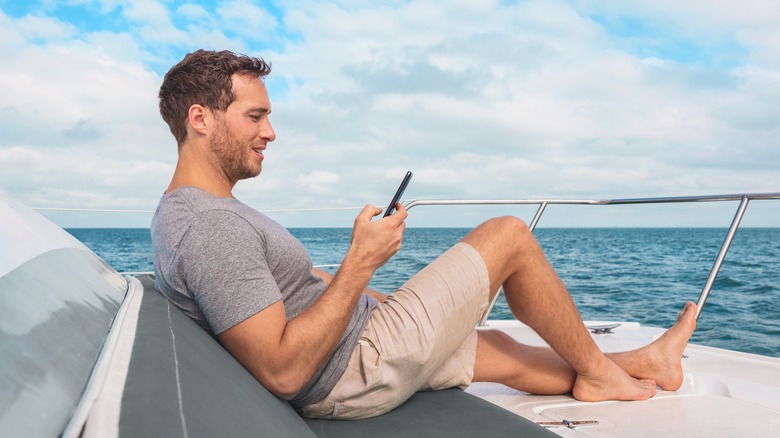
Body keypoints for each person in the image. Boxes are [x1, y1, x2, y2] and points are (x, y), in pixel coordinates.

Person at [152, 49, 697, 420]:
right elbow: (283, 370)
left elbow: (294, 286)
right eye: (255, 116)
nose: (271, 132)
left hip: (355, 344)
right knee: (507, 236)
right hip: (354, 366)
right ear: (200, 119)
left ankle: (642, 365)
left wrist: (379, 296)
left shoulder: (200, 213)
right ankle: (604, 377)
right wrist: (361, 263)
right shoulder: (209, 226)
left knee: (503, 350)